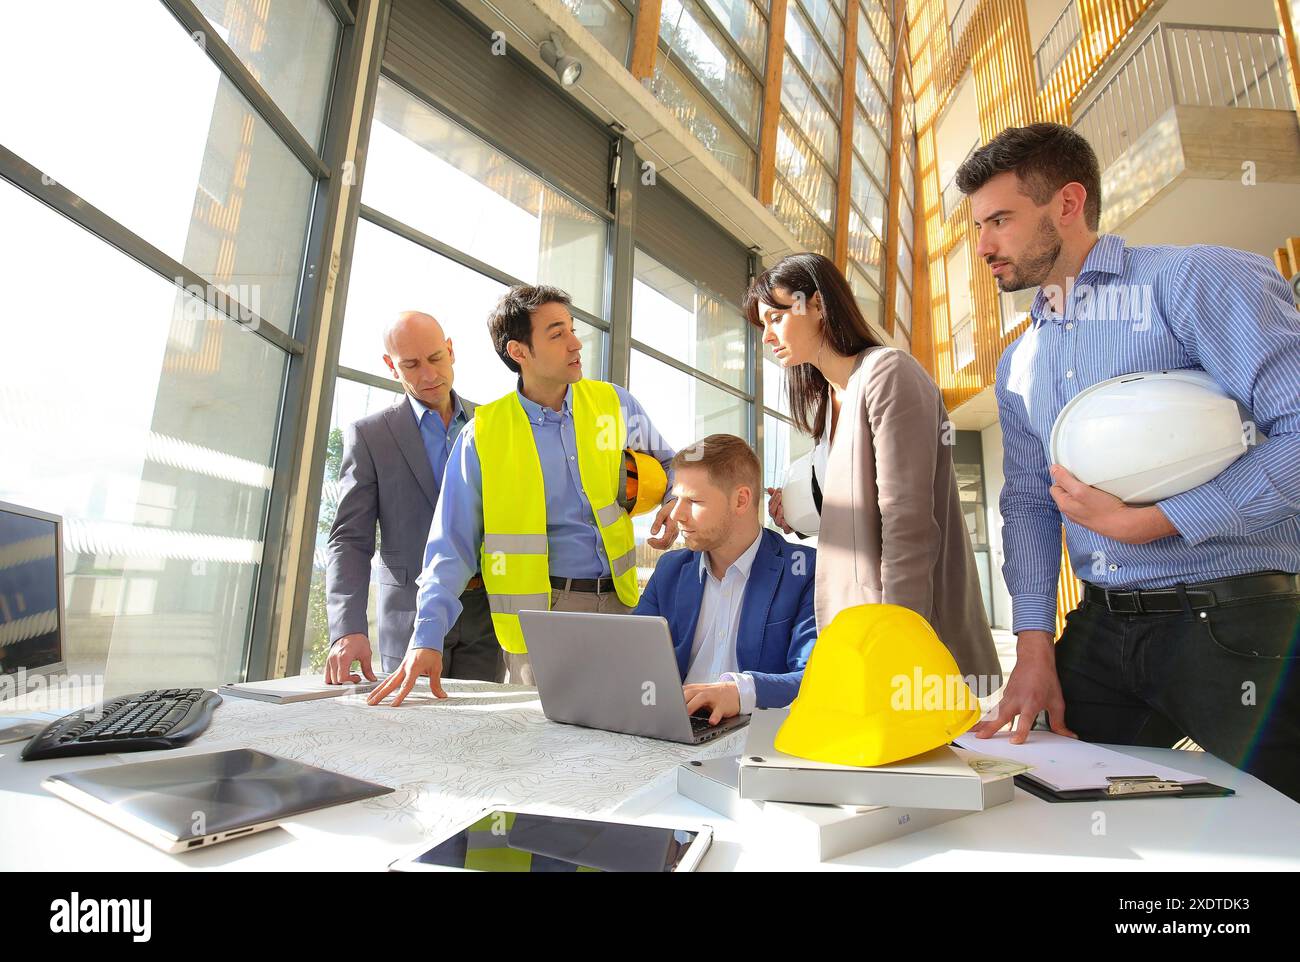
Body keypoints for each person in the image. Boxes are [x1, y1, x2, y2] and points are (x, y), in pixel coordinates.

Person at [959, 122, 1300, 802]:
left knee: (1282, 824)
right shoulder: (1019, 361)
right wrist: (1032, 642)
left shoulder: (1195, 279)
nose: (984, 246)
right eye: (977, 226)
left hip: (1235, 621)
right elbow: (1028, 501)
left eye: (1000, 220)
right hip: (1102, 628)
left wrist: (1161, 521)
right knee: (1031, 795)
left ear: (1067, 204)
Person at [368, 285, 679, 706]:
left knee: (633, 736)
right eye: (556, 334)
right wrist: (426, 637)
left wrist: (674, 500)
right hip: (542, 622)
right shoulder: (484, 434)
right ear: (519, 352)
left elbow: (676, 464)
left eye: (571, 329)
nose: (574, 342)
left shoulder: (614, 404)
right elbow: (451, 547)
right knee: (548, 757)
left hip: (624, 607)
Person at [749, 253, 1002, 692]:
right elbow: (861, 518)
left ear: (819, 305)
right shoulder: (829, 402)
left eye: (776, 317)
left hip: (907, 637)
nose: (768, 336)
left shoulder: (887, 373)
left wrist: (900, 642)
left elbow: (907, 521)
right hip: (853, 630)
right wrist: (805, 514)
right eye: (763, 325)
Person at [325, 311, 501, 682]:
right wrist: (347, 628)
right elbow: (350, 540)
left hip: (486, 614)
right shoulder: (371, 436)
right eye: (411, 364)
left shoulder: (493, 426)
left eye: (436, 358)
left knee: (486, 733)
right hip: (410, 616)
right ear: (392, 366)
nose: (428, 375)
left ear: (451, 351)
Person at [633, 434, 817, 724]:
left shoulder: (804, 571)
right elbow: (633, 657)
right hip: (674, 730)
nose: (677, 514)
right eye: (676, 498)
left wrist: (739, 693)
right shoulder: (670, 569)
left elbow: (814, 678)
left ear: (741, 500)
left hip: (756, 737)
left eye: (693, 500)